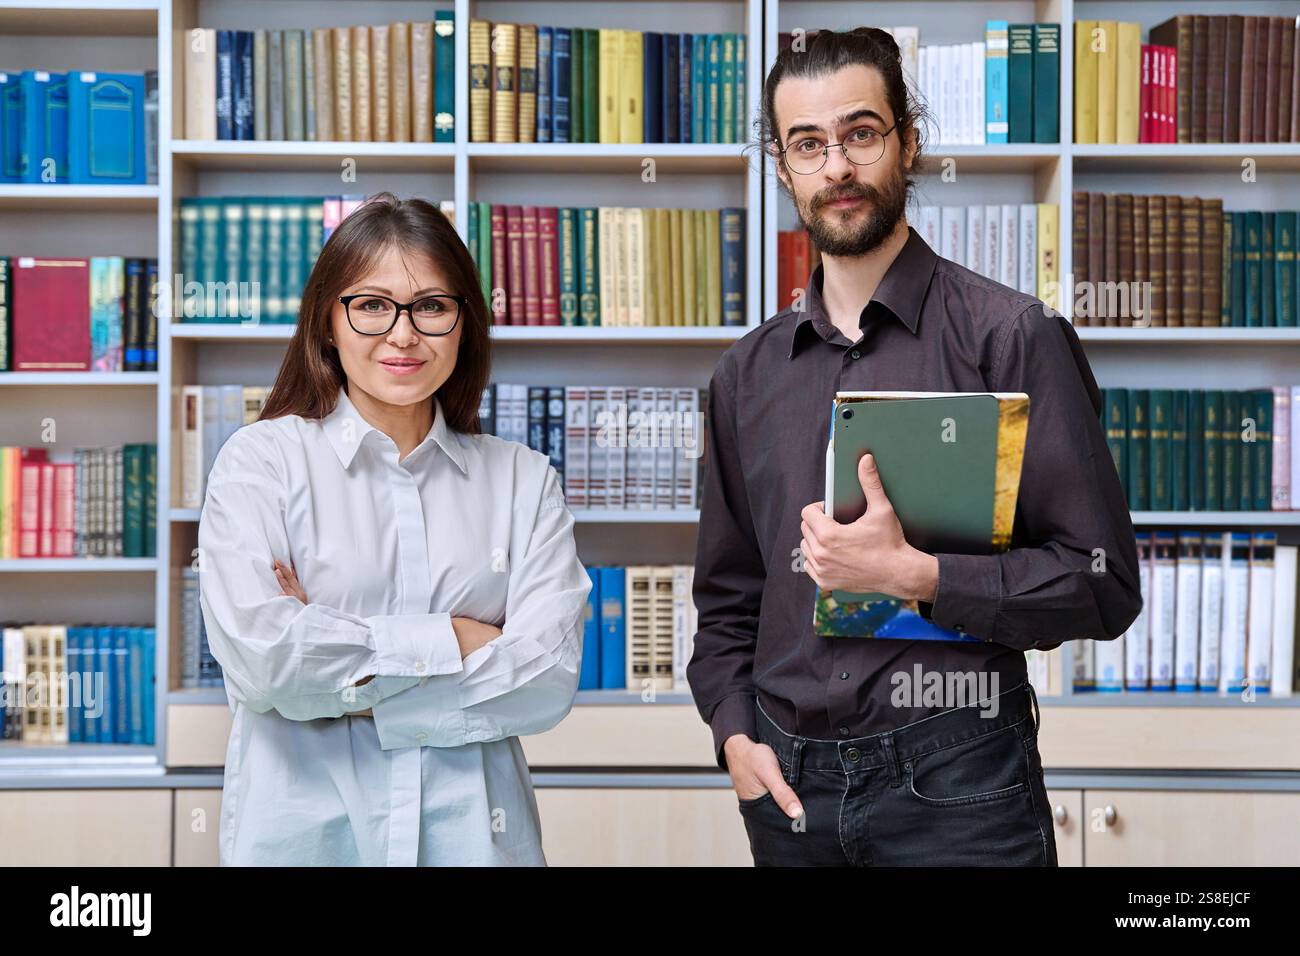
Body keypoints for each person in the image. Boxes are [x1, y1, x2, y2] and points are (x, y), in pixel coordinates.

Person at [687, 28, 1143, 866]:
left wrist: (918, 577)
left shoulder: (1013, 338)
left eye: (862, 133)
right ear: (782, 169)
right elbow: (726, 604)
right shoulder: (743, 377)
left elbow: (1102, 581)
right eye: (807, 145)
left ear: (909, 142)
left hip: (962, 784)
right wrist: (733, 740)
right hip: (788, 795)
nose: (838, 167)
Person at [197, 192, 591, 866]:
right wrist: (459, 640)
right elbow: (267, 661)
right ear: (328, 322)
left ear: (464, 324)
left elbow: (546, 679)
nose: (403, 334)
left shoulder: (524, 481)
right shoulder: (261, 462)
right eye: (372, 305)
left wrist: (339, 676)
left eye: (431, 307)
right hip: (305, 845)